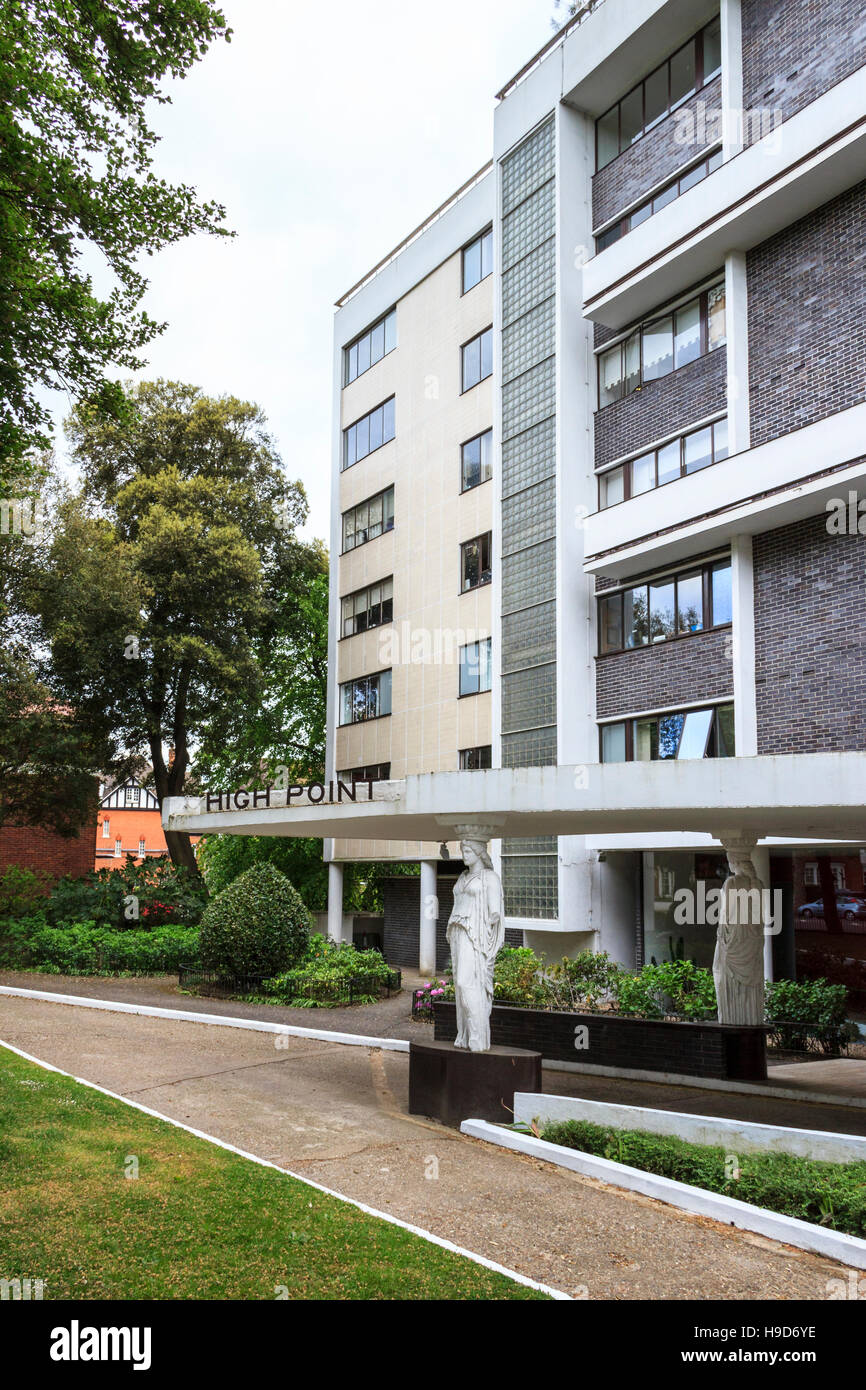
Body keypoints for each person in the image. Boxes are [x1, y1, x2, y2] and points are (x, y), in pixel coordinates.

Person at [446, 838, 504, 1051]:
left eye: (468, 850)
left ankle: (478, 1039)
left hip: (476, 936)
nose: (464, 854)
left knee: (466, 983)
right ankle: (466, 1036)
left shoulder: (489, 878)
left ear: (480, 852)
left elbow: (494, 911)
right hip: (458, 932)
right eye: (463, 850)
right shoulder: (463, 877)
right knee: (460, 988)